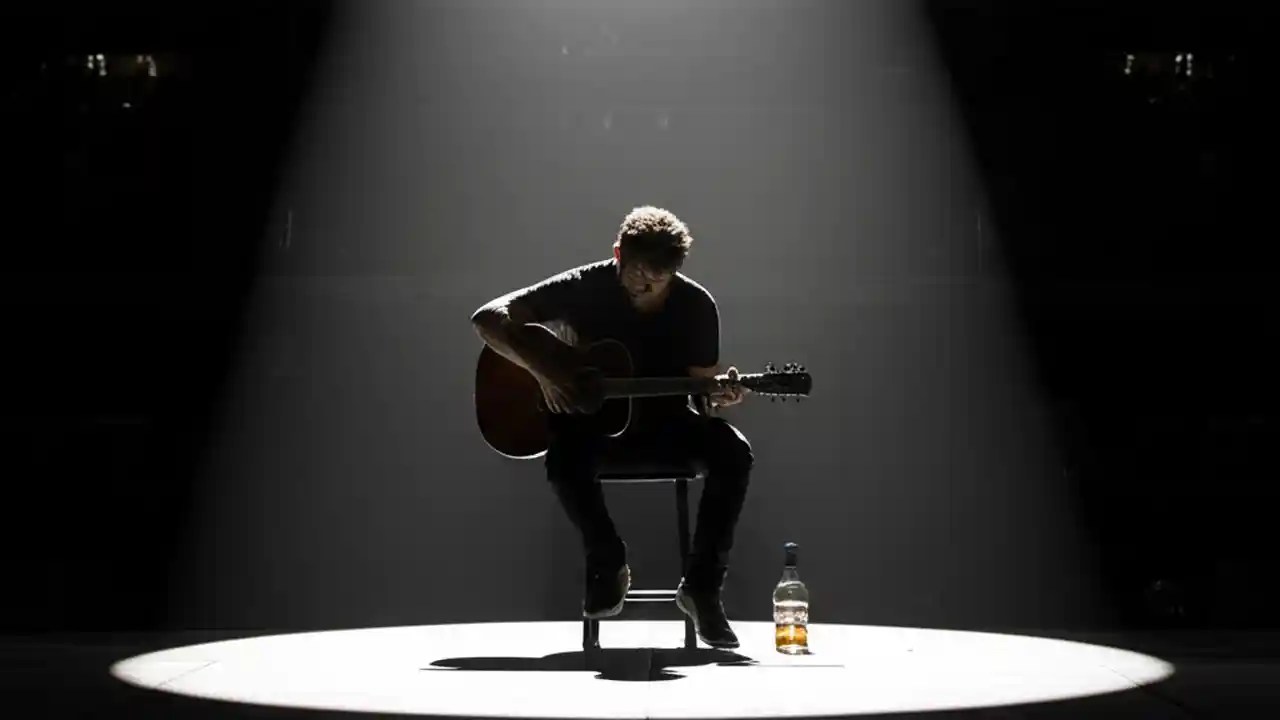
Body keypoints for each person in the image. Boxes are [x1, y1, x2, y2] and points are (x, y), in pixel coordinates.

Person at [470, 206, 753, 648]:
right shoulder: (585, 285)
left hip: (668, 430)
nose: (643, 287)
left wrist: (720, 394)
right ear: (618, 253)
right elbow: (488, 317)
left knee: (733, 450)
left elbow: (703, 387)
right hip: (596, 434)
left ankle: (702, 589)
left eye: (657, 280)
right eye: (636, 273)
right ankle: (608, 561)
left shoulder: (696, 306)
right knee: (564, 456)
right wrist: (544, 370)